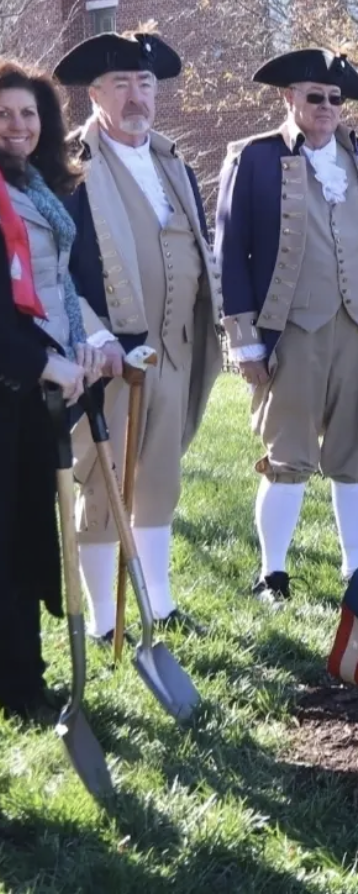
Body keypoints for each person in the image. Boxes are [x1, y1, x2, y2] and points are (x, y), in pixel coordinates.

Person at [216, 48, 358, 605]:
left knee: (356, 453)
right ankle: (273, 573)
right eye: (313, 96)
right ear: (289, 98)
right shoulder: (253, 158)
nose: (326, 107)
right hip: (292, 329)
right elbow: (230, 254)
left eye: (334, 99)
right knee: (288, 457)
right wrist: (245, 340)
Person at [54, 31, 222, 640]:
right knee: (103, 487)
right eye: (121, 84)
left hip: (174, 349)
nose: (136, 96)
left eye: (145, 84)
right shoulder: (70, 166)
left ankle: (160, 604)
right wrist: (98, 339)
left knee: (158, 479)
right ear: (95, 93)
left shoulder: (172, 161)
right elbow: (60, 272)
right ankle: (105, 622)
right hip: (108, 357)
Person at [0, 60, 93, 721]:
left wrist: (86, 344)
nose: (18, 126)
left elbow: (54, 285)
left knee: (30, 533)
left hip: (33, 390)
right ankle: (19, 689)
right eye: (3, 114)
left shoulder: (35, 191)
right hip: (12, 381)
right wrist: (38, 363)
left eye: (28, 113)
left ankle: (24, 679)